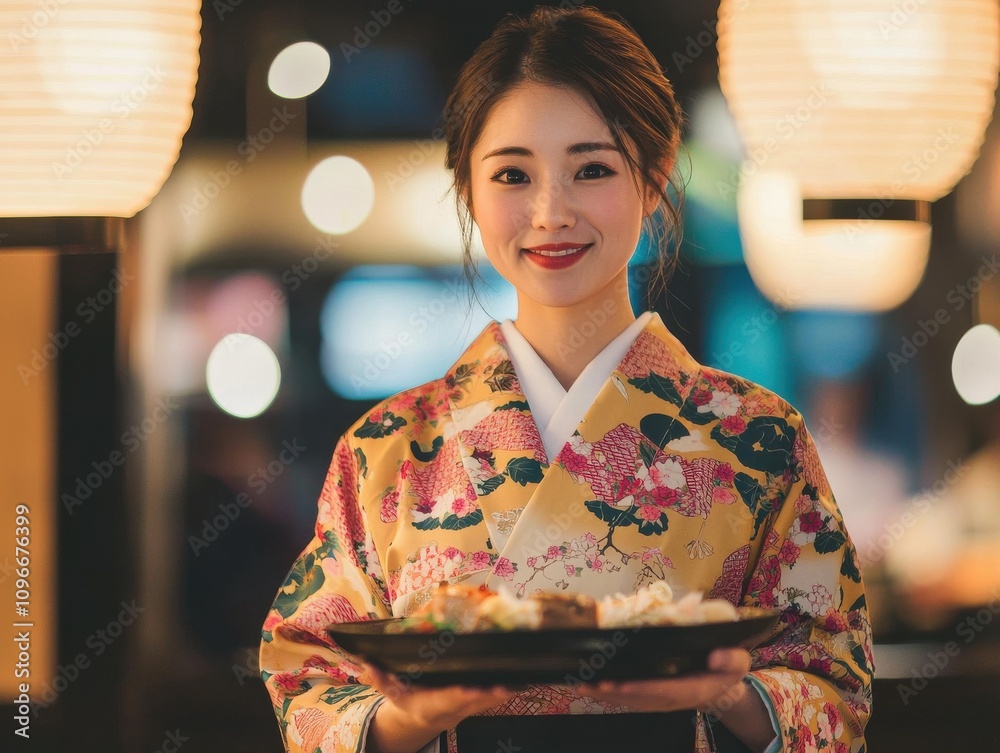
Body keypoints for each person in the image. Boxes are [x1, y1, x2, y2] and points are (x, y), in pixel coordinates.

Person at [259, 6, 874, 753]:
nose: (551, 213)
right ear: (467, 189)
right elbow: (308, 678)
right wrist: (409, 719)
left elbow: (835, 690)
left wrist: (723, 691)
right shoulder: (384, 449)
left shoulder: (760, 438)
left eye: (592, 169)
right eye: (512, 175)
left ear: (654, 179)